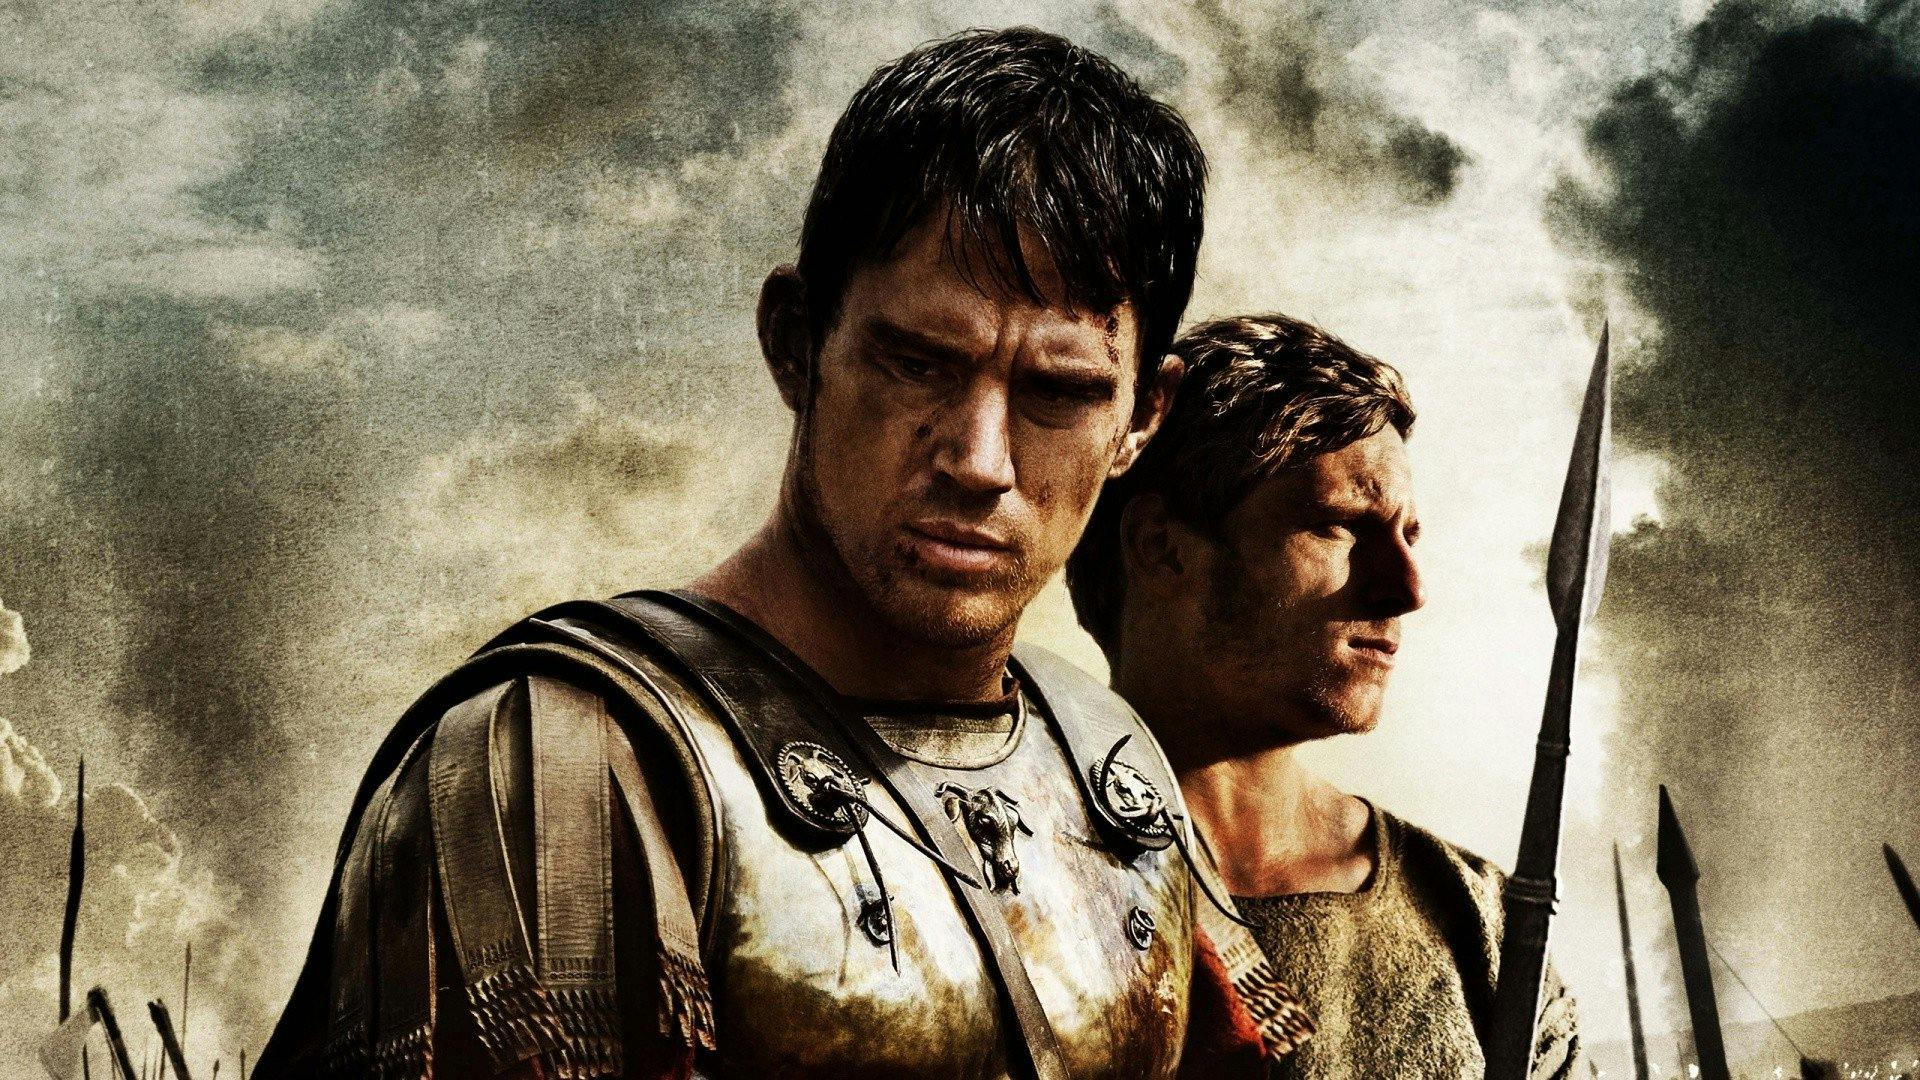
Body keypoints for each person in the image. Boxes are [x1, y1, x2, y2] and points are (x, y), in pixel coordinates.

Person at [258, 29, 1312, 1080]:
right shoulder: (561, 763)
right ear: (797, 342)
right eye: (917, 364)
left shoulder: (1110, 764)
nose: (980, 461)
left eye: (1060, 392)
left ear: (1142, 418)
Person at [1067, 313, 1583, 1078]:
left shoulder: (1483, 926)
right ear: (1161, 547)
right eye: (1341, 526)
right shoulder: (1000, 880)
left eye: (1409, 535)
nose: (1407, 588)